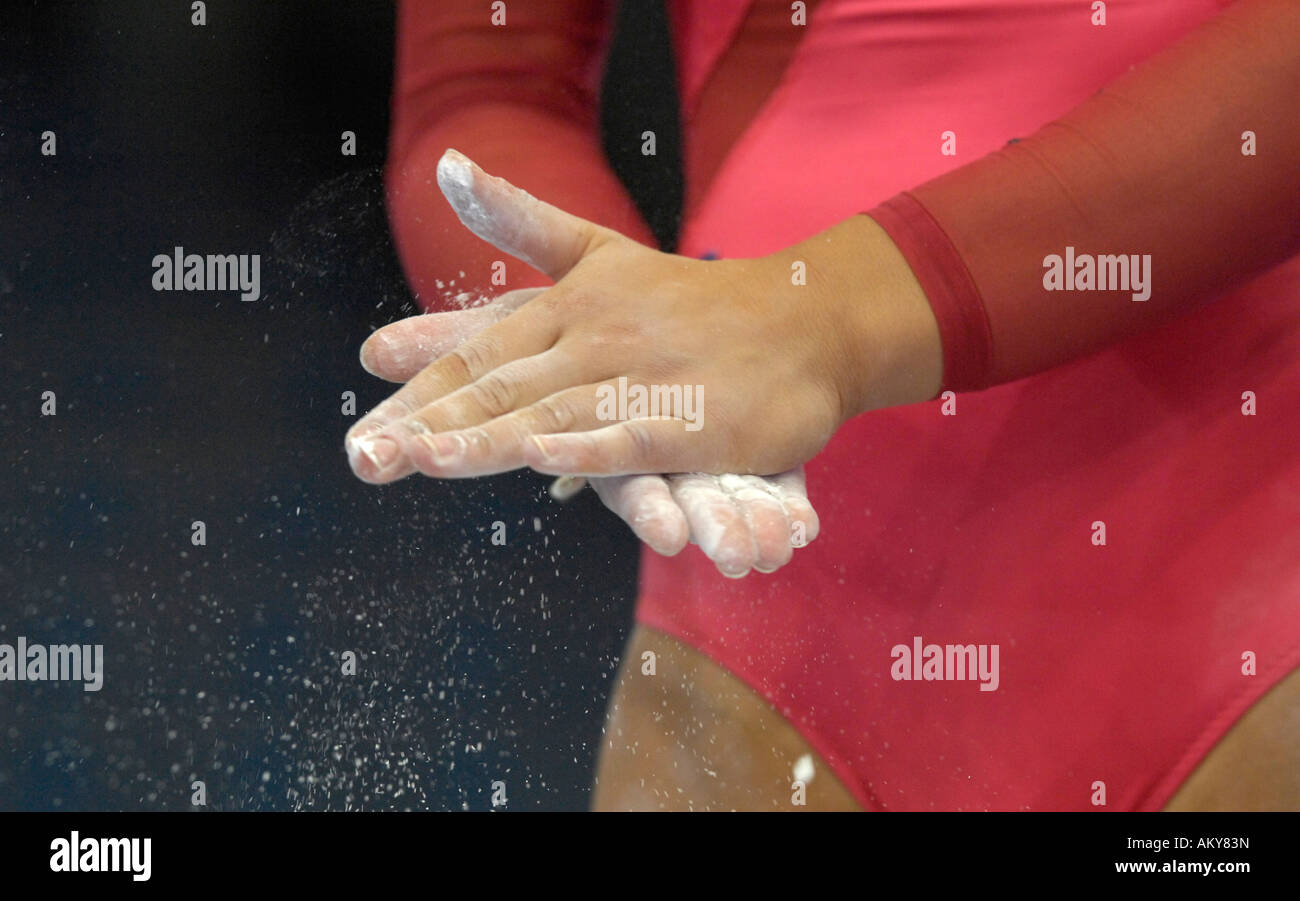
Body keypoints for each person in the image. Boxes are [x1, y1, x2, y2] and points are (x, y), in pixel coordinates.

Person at [348, 0, 1300, 810]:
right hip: (766, 590)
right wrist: (600, 344)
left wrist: (822, 323)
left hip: (1258, 570)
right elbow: (485, 83)